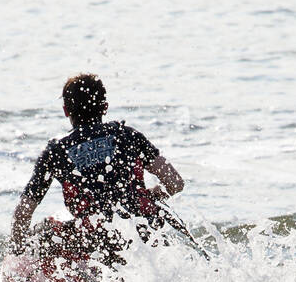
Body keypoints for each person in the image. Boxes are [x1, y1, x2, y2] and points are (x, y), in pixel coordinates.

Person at [9, 74, 186, 266]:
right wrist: (148, 195)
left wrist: (17, 252)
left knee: (40, 234)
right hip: (139, 234)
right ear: (105, 107)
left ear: (66, 110)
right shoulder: (128, 135)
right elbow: (175, 183)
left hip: (93, 240)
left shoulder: (56, 150)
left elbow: (23, 213)